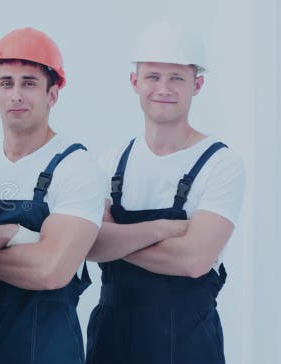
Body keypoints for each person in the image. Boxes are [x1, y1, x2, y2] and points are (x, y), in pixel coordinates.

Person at [85, 22, 246, 364]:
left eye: (176, 78)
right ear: (135, 82)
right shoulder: (111, 162)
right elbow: (91, 245)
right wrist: (163, 230)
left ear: (197, 85)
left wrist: (115, 239)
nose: (164, 88)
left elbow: (193, 260)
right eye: (153, 76)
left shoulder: (221, 164)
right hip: (111, 339)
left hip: (187, 342)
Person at [0, 27, 104, 364]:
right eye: (7, 83)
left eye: (29, 83)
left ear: (52, 94)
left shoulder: (76, 167)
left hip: (47, 350)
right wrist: (11, 236)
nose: (16, 95)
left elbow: (50, 270)